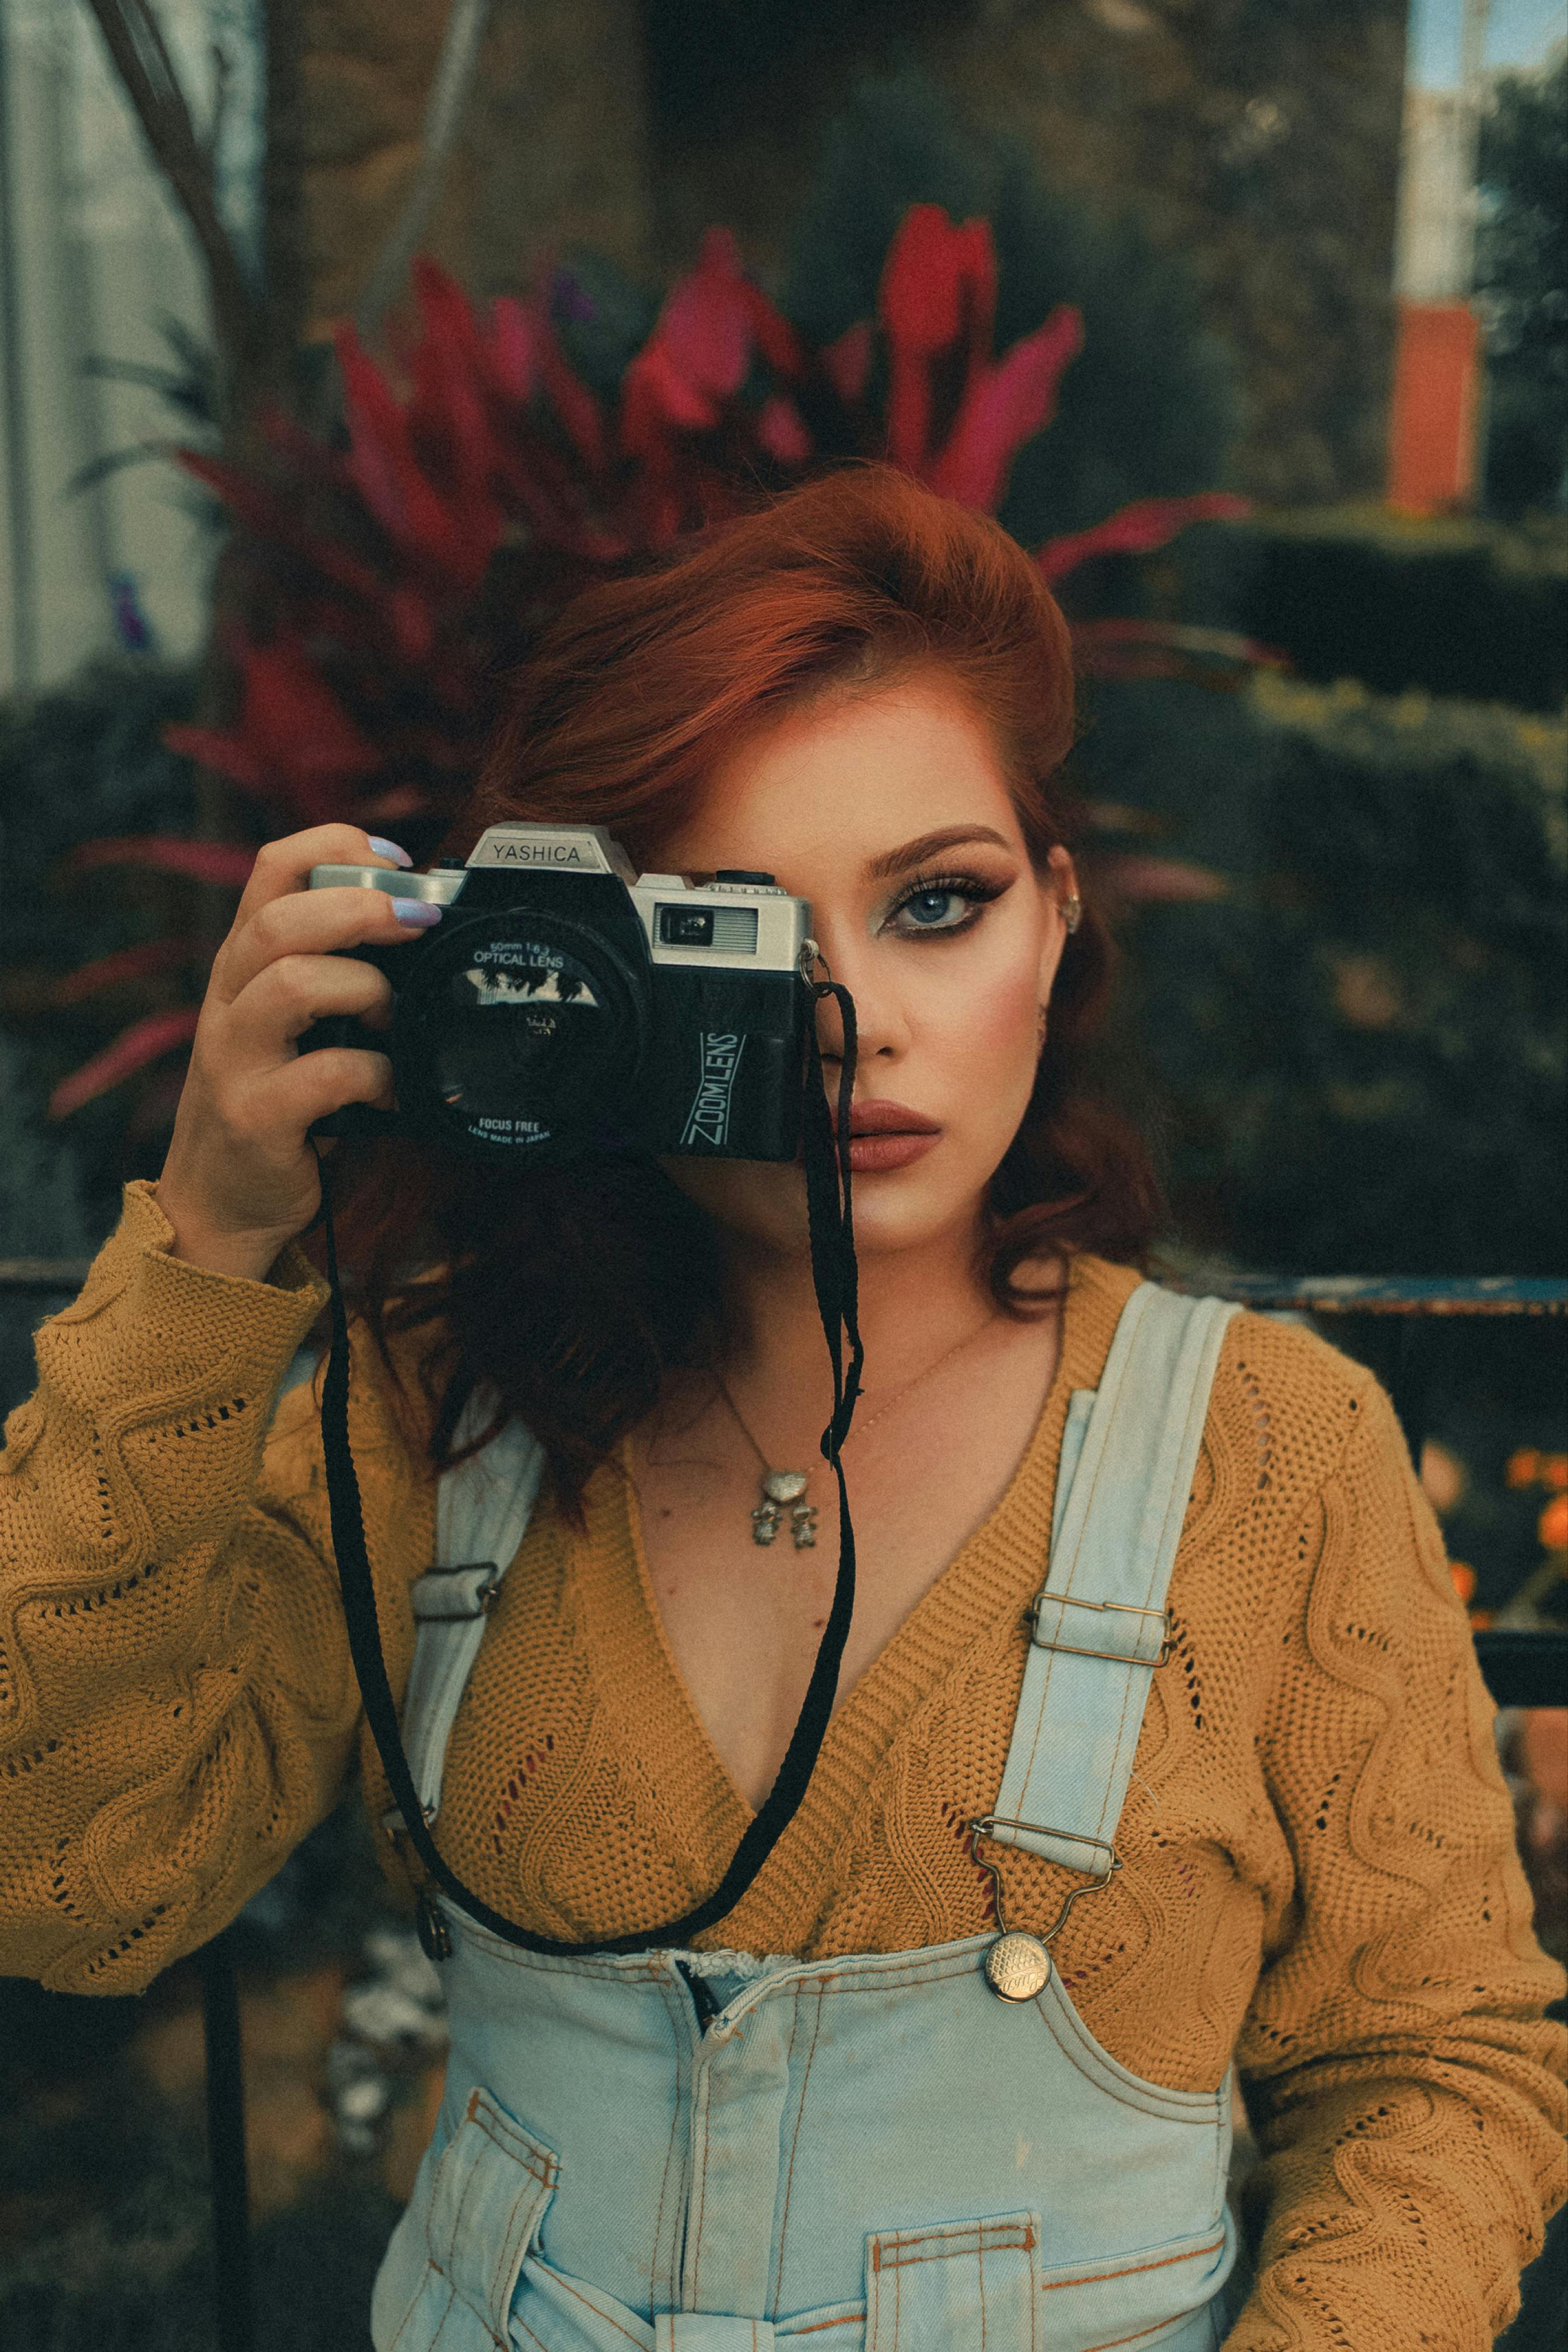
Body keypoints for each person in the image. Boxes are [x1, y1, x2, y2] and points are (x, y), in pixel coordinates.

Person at [0, 467, 1562, 2351]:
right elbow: (68, 1884)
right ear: (592, 986)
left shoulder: (1274, 1455)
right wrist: (215, 1247)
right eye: (736, 932)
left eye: (937, 904)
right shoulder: (445, 1416)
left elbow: (1437, 2071)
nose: (856, 1022)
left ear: (1056, 924)